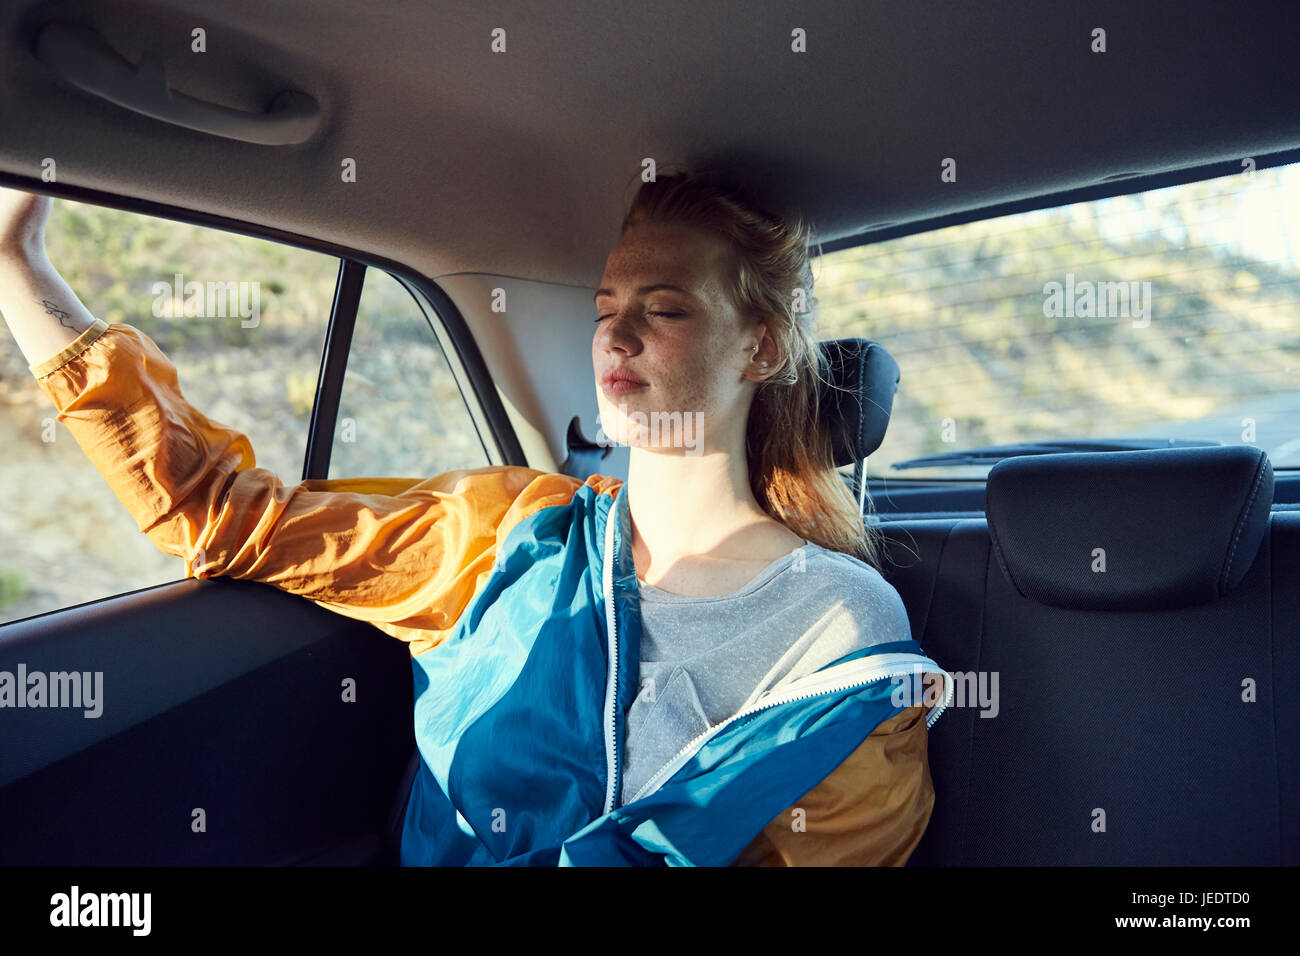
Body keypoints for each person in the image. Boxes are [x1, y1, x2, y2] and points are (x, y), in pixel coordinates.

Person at [0, 168, 951, 866]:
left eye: (664, 310)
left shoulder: (842, 628)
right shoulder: (508, 533)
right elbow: (222, 513)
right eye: (605, 305)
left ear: (762, 348)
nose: (615, 335)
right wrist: (18, 264)